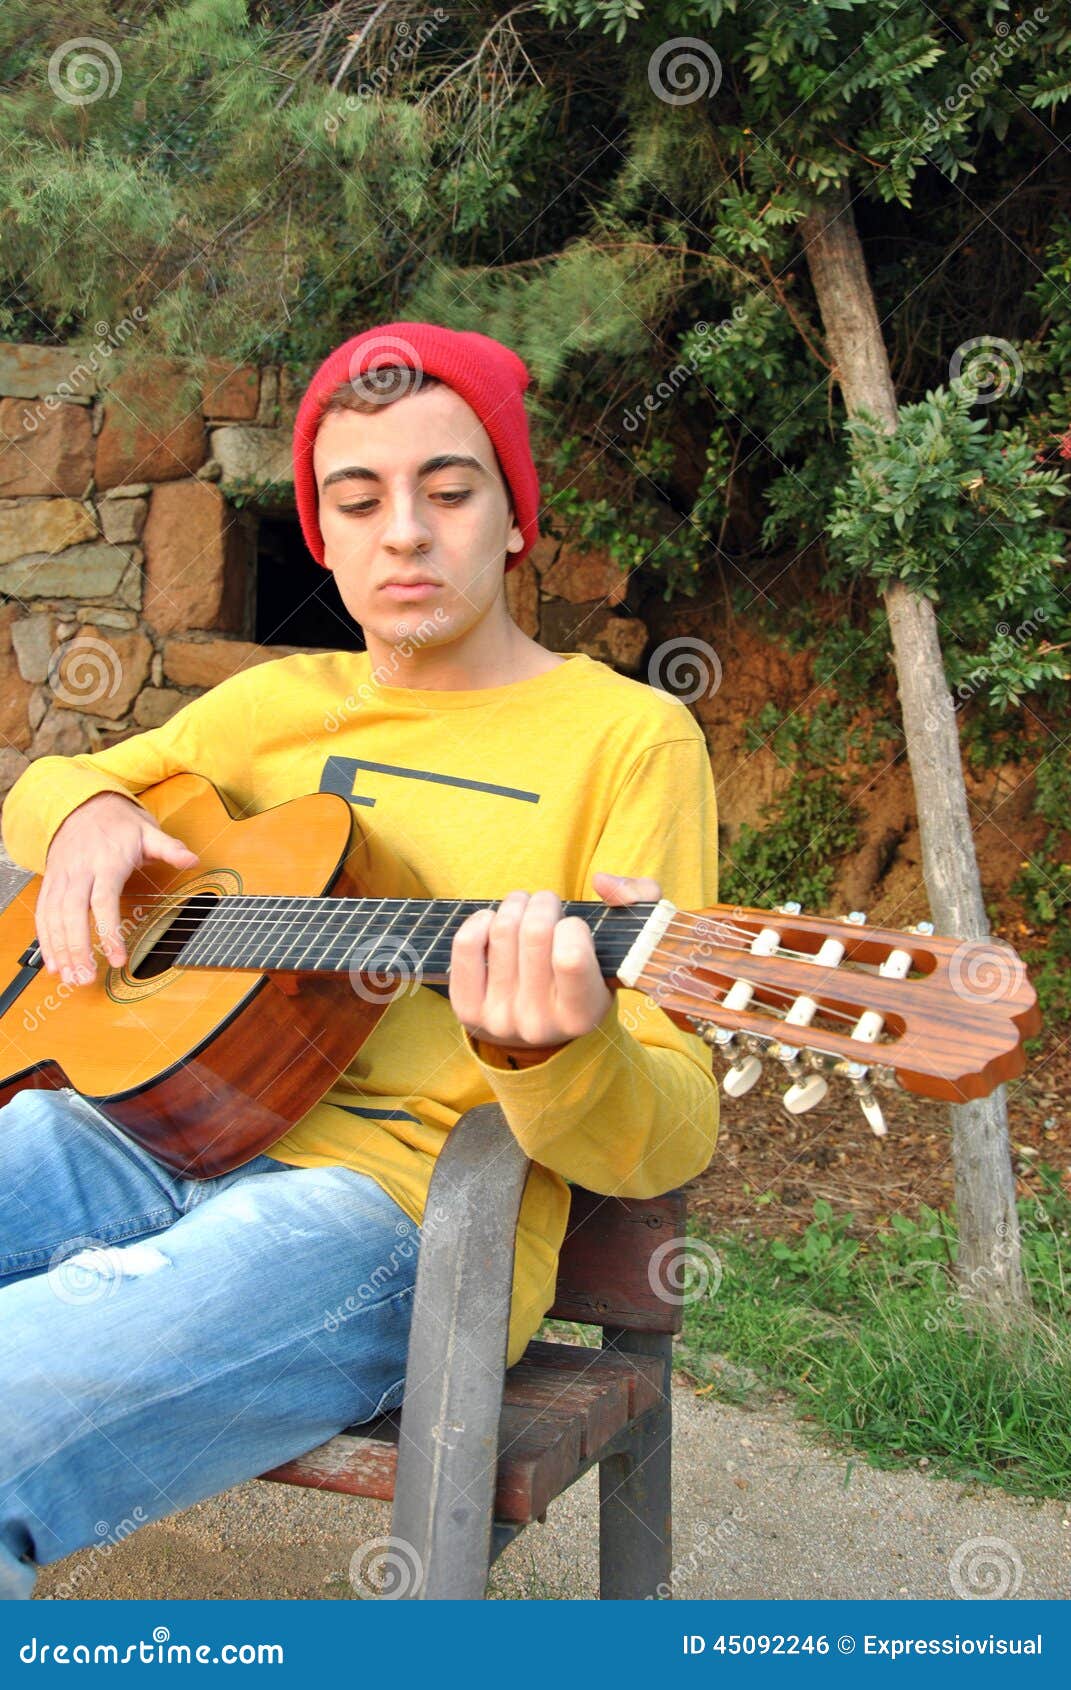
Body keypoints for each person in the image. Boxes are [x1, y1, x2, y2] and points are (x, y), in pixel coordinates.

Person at [0, 322, 719, 1599]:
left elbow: (663, 1134)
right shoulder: (275, 706)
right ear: (321, 536)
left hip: (403, 1210)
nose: (405, 531)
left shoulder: (629, 738)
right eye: (359, 499)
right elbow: (53, 785)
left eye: (450, 489)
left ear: (513, 517)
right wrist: (86, 816)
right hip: (136, 1120)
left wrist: (554, 1053)